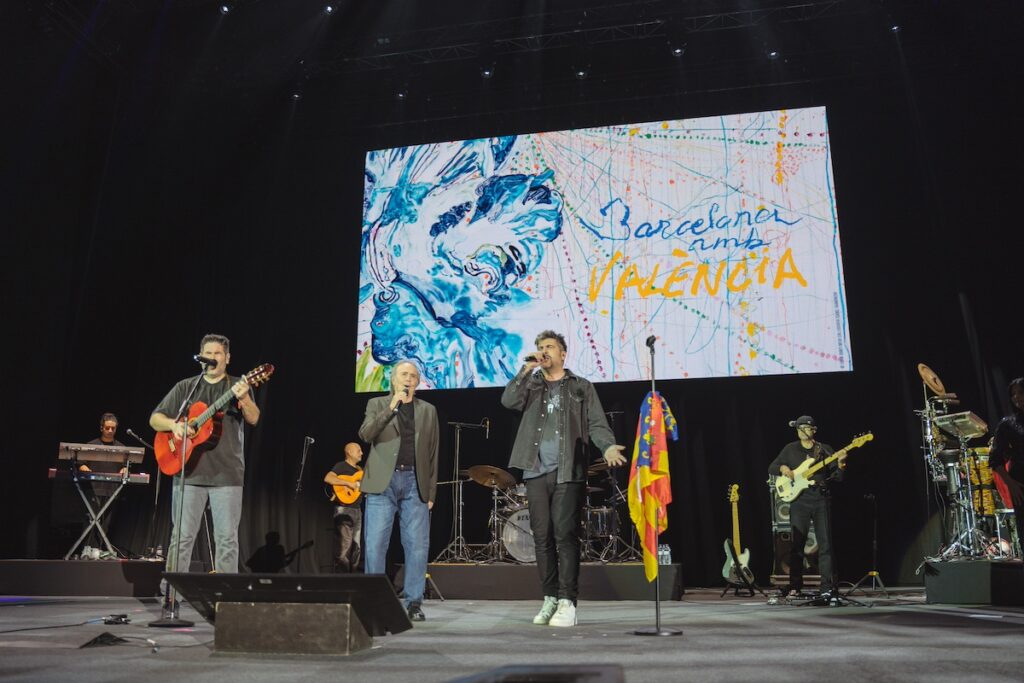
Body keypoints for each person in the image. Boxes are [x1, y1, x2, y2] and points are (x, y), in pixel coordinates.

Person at [501, 330, 627, 627]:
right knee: (541, 538)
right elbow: (508, 401)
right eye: (540, 347)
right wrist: (525, 369)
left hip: (567, 470)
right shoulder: (531, 385)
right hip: (534, 469)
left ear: (562, 354)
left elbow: (596, 422)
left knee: (564, 536)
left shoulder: (580, 386)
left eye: (549, 347)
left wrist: (607, 445)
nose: (544, 351)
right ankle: (550, 598)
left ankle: (568, 601)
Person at [149, 333, 260, 575]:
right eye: (207, 354)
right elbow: (155, 418)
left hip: (227, 475)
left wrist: (244, 398)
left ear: (227, 358)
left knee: (227, 540)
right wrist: (175, 426)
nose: (212, 358)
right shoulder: (186, 387)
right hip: (188, 473)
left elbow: (253, 418)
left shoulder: (236, 386)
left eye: (217, 353)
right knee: (181, 538)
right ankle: (172, 595)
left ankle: (224, 598)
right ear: (201, 358)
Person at [358, 361, 439, 622]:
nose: (408, 379)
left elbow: (433, 454)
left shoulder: (428, 410)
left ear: (418, 381)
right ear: (393, 380)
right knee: (375, 546)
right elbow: (366, 434)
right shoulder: (377, 404)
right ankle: (374, 600)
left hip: (415, 483)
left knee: (416, 546)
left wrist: (431, 493)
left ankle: (414, 602)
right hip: (383, 482)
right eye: (404, 374)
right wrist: (392, 407)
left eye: (413, 375)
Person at [768, 415, 846, 599]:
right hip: (799, 501)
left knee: (825, 545)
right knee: (797, 545)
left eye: (806, 427)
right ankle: (795, 586)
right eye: (799, 427)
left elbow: (839, 477)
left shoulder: (825, 450)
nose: (802, 430)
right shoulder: (790, 449)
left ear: (814, 430)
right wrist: (783, 469)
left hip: (820, 499)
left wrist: (841, 462)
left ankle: (827, 587)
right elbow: (773, 466)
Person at [990, 377, 1024, 539]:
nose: (1016, 397)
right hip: (1020, 483)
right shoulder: (1008, 424)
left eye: (1020, 392)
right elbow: (995, 460)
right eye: (1013, 394)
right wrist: (1010, 484)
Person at [324, 442, 365, 573]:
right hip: (344, 509)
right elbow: (328, 478)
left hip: (358, 510)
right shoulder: (341, 466)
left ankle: (352, 579)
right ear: (349, 452)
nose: (362, 453)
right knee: (343, 547)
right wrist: (349, 483)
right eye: (358, 450)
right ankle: (341, 579)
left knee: (356, 548)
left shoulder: (360, 471)